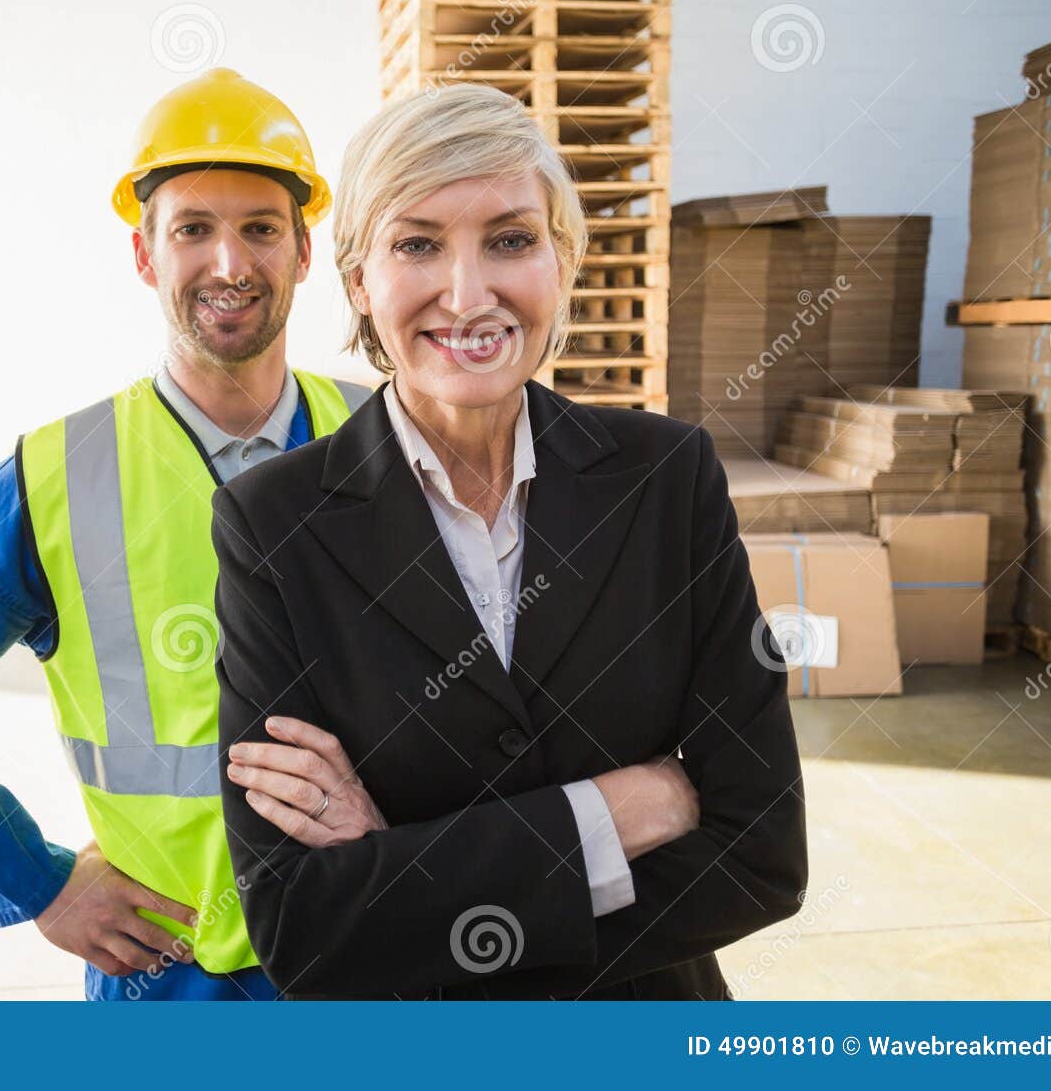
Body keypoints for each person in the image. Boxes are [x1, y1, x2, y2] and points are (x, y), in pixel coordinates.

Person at [212, 84, 808, 999]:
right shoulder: (274, 525)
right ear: (359, 282)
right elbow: (303, 927)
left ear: (561, 261)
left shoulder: (667, 479)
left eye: (510, 239)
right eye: (417, 244)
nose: (467, 292)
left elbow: (763, 851)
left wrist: (403, 879)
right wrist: (619, 810)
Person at [0, 68, 371, 1001]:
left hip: (378, 954)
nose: (230, 263)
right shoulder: (55, 477)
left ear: (304, 250)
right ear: (143, 253)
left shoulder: (386, 444)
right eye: (192, 229)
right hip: (173, 984)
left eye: (260, 227)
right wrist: (40, 883)